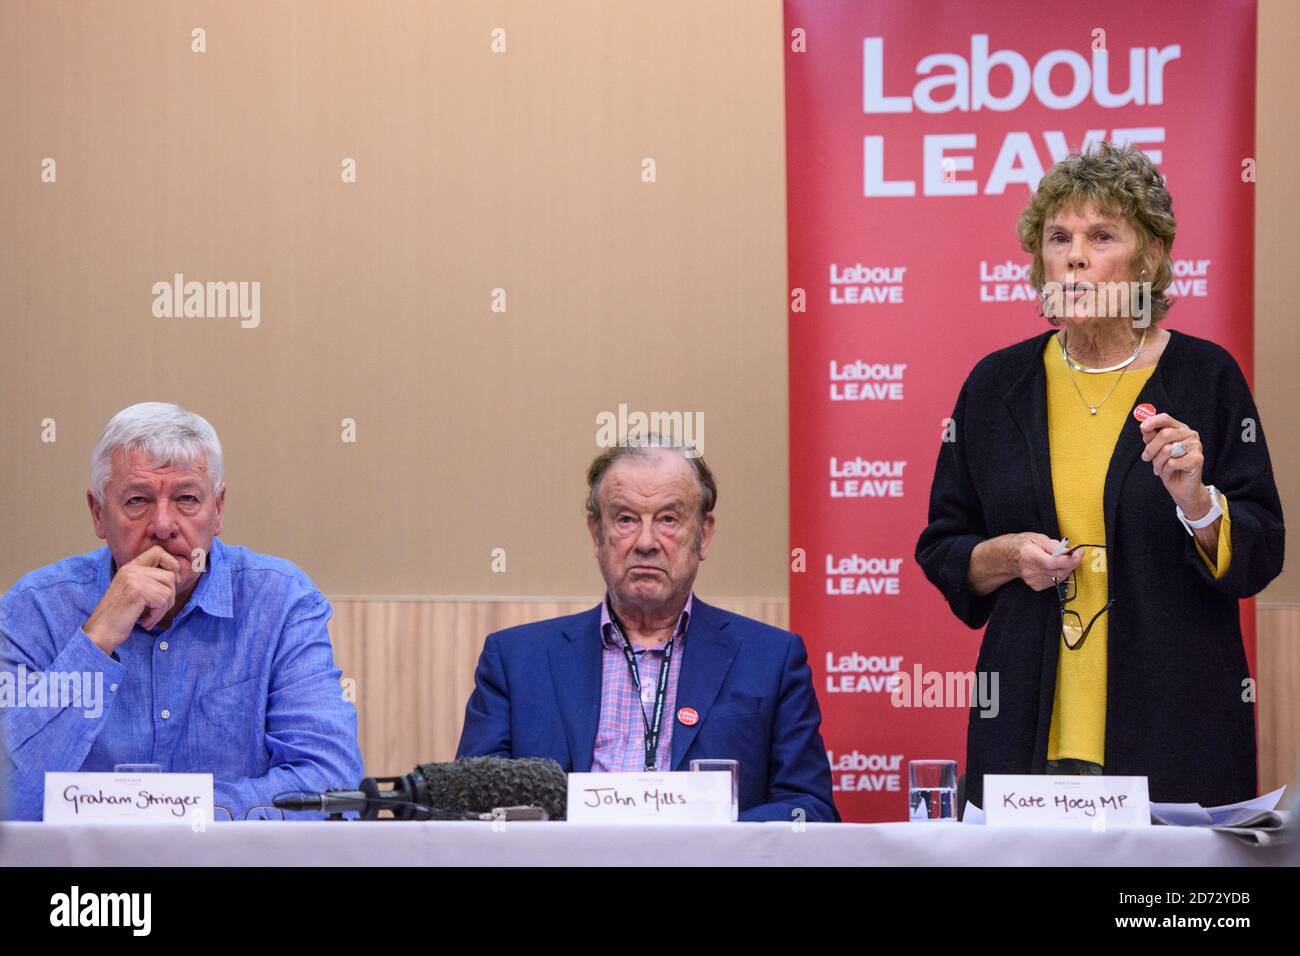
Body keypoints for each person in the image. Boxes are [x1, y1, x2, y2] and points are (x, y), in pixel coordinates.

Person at [916, 143, 1284, 811]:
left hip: (1174, 730)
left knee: (1160, 917)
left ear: (1148, 258)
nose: (1075, 256)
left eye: (1101, 236)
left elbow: (1260, 550)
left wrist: (1198, 504)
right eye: (1059, 238)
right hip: (1029, 731)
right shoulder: (996, 385)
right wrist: (1000, 557)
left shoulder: (1206, 378)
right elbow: (943, 543)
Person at [0, 402, 363, 820]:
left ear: (219, 509)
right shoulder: (34, 608)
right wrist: (95, 642)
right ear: (98, 513)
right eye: (137, 500)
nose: (163, 525)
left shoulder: (281, 602)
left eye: (187, 498)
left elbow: (332, 787)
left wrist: (168, 814)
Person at [457, 438, 838, 822]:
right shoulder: (516, 661)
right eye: (625, 519)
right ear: (596, 534)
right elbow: (472, 807)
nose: (645, 542)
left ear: (703, 535)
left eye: (669, 519)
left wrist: (707, 841)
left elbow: (810, 809)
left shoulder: (771, 660)